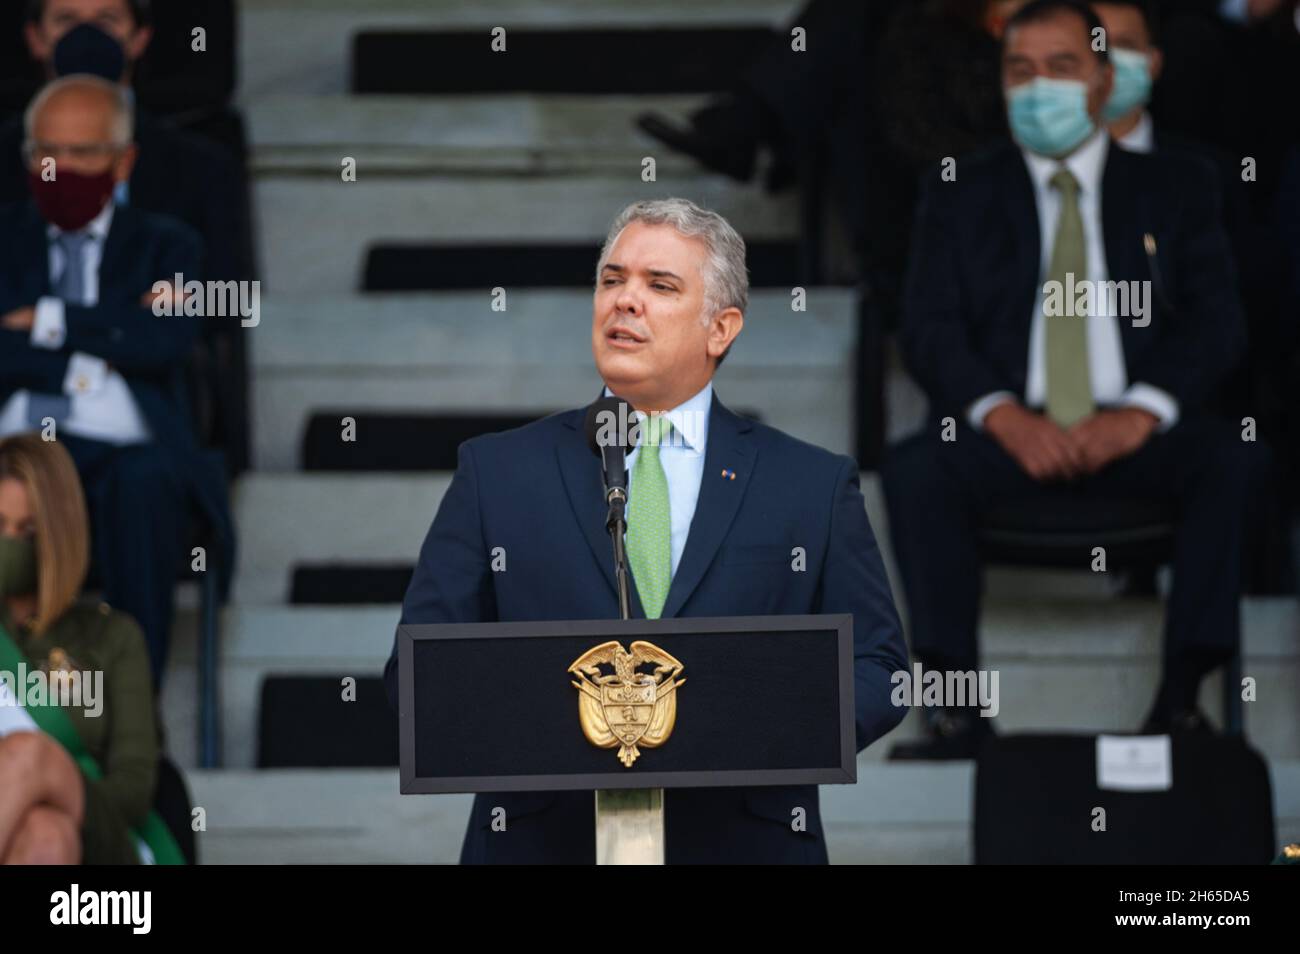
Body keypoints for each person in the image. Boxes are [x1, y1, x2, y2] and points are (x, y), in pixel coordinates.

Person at [384, 197, 908, 864]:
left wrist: (758, 729)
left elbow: (882, 670)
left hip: (742, 844)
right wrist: (570, 727)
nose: (624, 301)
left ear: (721, 328)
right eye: (612, 279)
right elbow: (417, 672)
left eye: (660, 286)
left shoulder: (810, 484)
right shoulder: (497, 471)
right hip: (547, 843)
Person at [883, 0, 1252, 759]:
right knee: (918, 470)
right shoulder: (959, 189)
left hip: (1136, 437)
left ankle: (1182, 702)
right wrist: (1006, 417)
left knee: (1235, 459)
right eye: (1020, 70)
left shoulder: (1178, 184)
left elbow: (1217, 324)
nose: (1038, 86)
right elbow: (930, 328)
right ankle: (956, 711)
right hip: (1013, 438)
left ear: (1103, 79)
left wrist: (1140, 414)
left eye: (1061, 67)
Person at [0, 74, 234, 684]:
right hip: (14, 454)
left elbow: (165, 342)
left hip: (122, 463)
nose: (63, 168)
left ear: (124, 162)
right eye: (46, 153)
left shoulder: (167, 246)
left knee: (147, 482)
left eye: (83, 153)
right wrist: (98, 348)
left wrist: (47, 321)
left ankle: (131, 708)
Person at [0, 0, 254, 472]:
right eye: (67, 21)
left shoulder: (200, 165)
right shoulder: (5, 159)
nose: (87, 37)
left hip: (145, 422)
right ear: (35, 37)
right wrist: (123, 330)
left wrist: (45, 320)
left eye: (106, 21)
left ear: (140, 37)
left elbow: (235, 300)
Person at [0, 432, 175, 864]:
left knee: (31, 758)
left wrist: (49, 785)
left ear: (59, 536)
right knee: (45, 837)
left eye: (26, 532)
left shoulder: (111, 638)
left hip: (104, 838)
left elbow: (134, 788)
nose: (8, 545)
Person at [0, 685, 84, 865]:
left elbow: (134, 784)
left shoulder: (118, 658)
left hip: (86, 798)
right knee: (47, 838)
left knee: (25, 750)